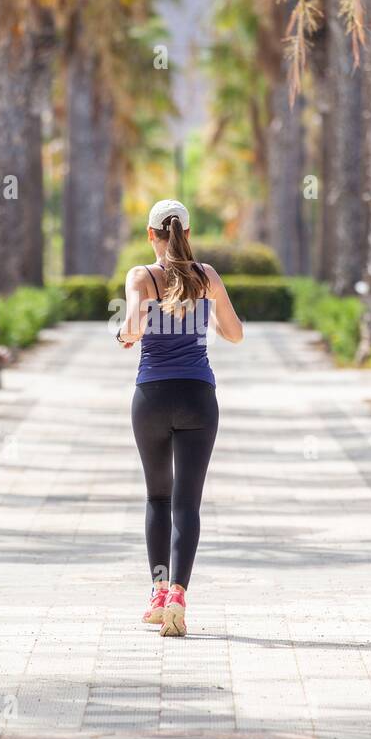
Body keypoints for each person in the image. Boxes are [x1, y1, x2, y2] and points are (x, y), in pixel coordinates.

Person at [116, 200, 243, 637]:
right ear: (187, 233)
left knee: (158, 497)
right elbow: (235, 333)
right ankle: (177, 596)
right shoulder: (207, 276)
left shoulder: (142, 276)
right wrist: (207, 317)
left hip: (152, 397)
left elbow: (133, 327)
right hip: (198, 397)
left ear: (151, 234)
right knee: (188, 503)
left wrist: (123, 335)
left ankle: (157, 591)